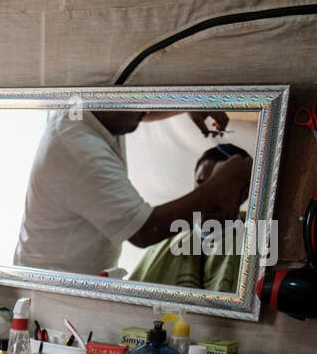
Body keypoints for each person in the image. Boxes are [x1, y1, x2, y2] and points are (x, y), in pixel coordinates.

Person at [14, 109, 251, 275]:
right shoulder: (80, 149)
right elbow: (144, 231)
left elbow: (138, 113)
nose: (146, 109)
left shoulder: (89, 112)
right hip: (55, 291)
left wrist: (187, 102)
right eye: (201, 183)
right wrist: (220, 185)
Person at [128, 143, 253, 291]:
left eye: (221, 189)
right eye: (202, 184)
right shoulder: (166, 236)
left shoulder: (254, 242)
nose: (209, 198)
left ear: (244, 195)